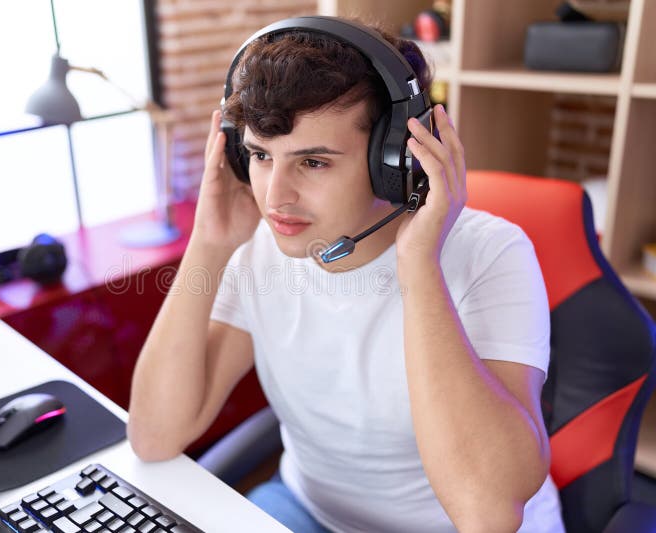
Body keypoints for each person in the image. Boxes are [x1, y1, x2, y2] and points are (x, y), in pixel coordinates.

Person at [128, 16, 566, 533]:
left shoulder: (491, 254)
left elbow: (489, 511)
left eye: (313, 162)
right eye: (261, 156)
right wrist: (209, 242)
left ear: (396, 159)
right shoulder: (261, 246)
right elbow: (154, 436)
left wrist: (418, 267)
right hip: (309, 513)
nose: (275, 198)